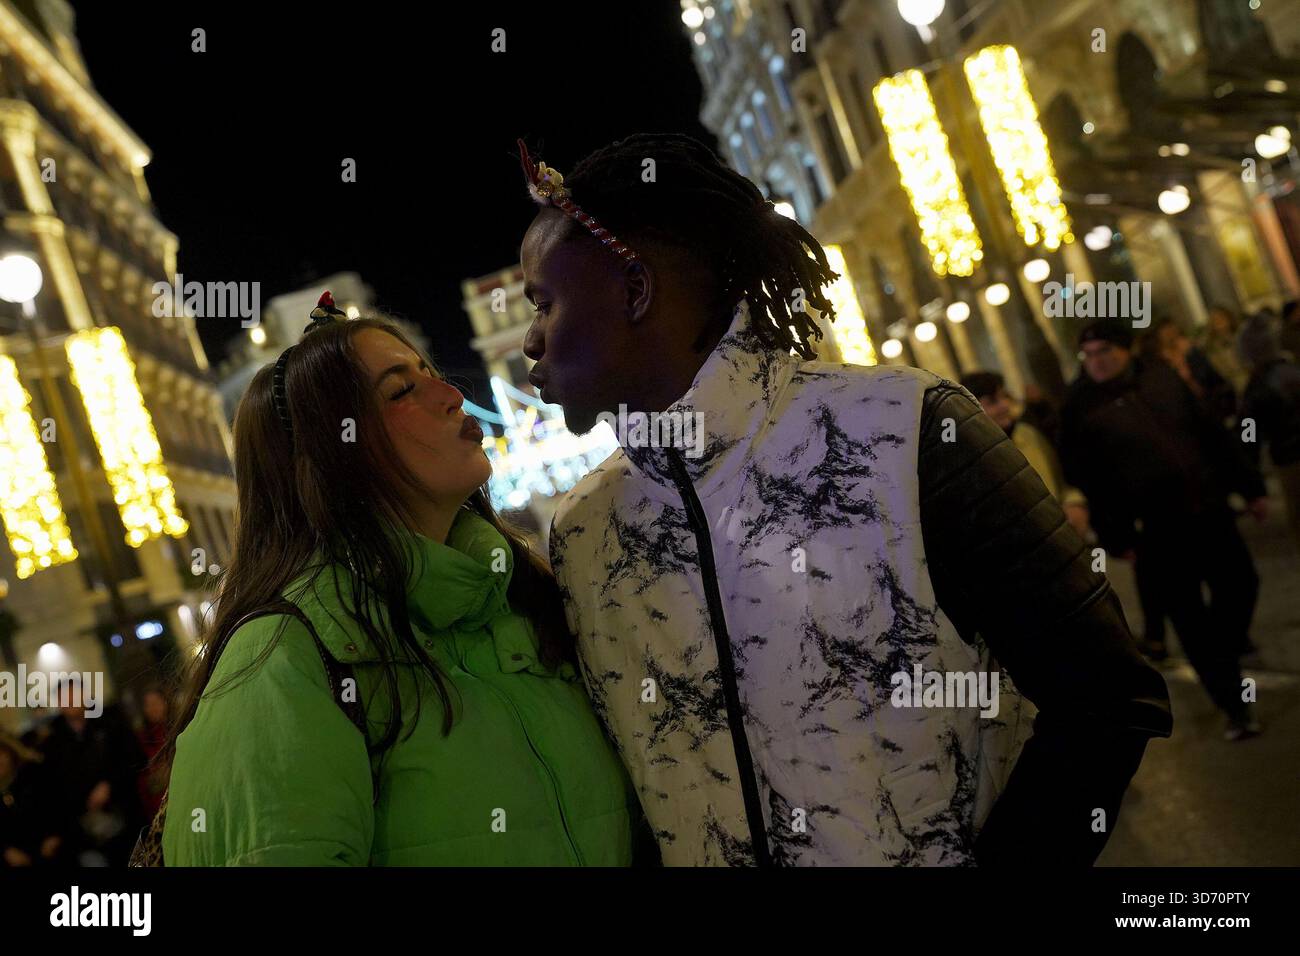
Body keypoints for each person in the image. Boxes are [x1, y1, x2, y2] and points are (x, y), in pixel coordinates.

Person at [516, 133, 1171, 867]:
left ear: (634, 290)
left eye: (543, 302)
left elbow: (1109, 697)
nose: (531, 342)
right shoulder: (583, 533)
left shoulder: (908, 429)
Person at [157, 293, 642, 866]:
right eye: (401, 391)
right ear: (333, 450)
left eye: (429, 373)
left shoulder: (520, 596)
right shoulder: (281, 659)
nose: (451, 395)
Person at [1060, 319, 1268, 740]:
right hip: (1155, 531)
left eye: (1106, 352)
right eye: (1090, 354)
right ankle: (1233, 705)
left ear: (1127, 350)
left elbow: (1209, 432)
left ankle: (1223, 650)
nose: (1097, 362)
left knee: (1241, 584)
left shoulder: (1161, 377)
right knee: (1189, 619)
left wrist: (1250, 488)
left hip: (1207, 511)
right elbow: (1087, 478)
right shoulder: (1080, 406)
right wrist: (1116, 536)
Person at [31, 677, 146, 866]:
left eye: (73, 694)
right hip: (82, 831)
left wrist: (110, 785)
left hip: (124, 816)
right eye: (62, 697)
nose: (69, 700)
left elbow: (134, 758)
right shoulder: (52, 741)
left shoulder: (110, 722)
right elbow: (49, 788)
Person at [960, 370, 1087, 535]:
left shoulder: (1026, 434)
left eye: (1004, 396)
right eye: (992, 401)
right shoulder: (970, 458)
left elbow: (1061, 480)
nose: (1004, 405)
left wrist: (1075, 504)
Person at [1238, 310, 1300, 553]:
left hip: (1289, 460)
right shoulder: (1294, 370)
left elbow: (1248, 436)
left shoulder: (1255, 390)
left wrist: (1251, 478)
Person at [1198, 306, 1251, 398]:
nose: (1220, 322)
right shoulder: (1212, 347)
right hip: (1236, 385)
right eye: (1215, 320)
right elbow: (1224, 371)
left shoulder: (1241, 336)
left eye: (1222, 318)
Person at [134, 687, 170, 821]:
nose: (153, 708)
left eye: (156, 702)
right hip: (159, 804)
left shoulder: (178, 730)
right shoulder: (141, 739)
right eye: (148, 705)